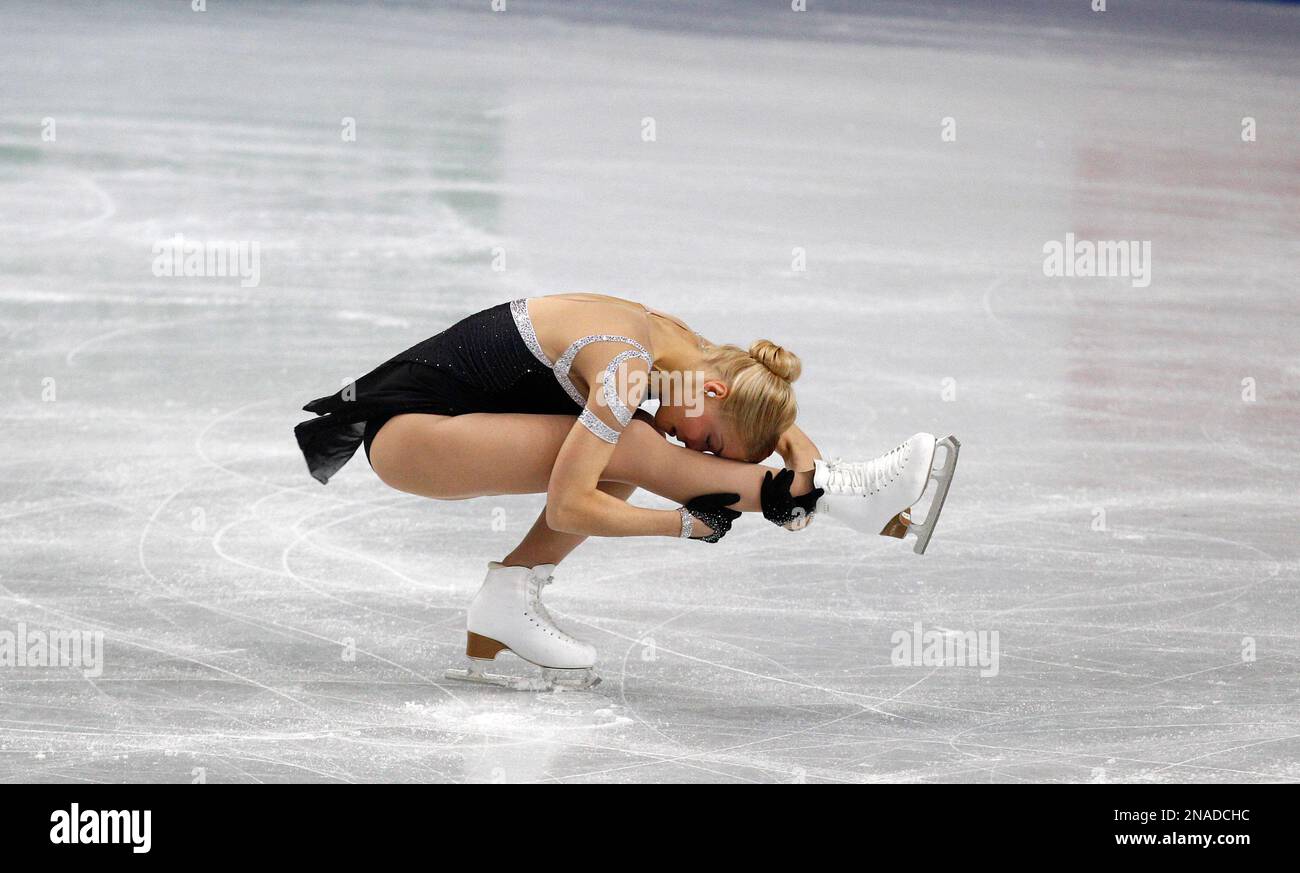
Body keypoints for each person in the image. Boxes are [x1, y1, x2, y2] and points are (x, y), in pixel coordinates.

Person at [295, 293, 959, 689]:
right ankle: (845, 498)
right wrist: (680, 525)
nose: (696, 455)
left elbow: (766, 411)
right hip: (411, 436)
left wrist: (809, 461)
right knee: (633, 443)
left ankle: (506, 599)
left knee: (618, 440)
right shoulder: (627, 369)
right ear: (718, 392)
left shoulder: (697, 359)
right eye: (707, 448)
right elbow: (569, 505)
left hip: (439, 424)